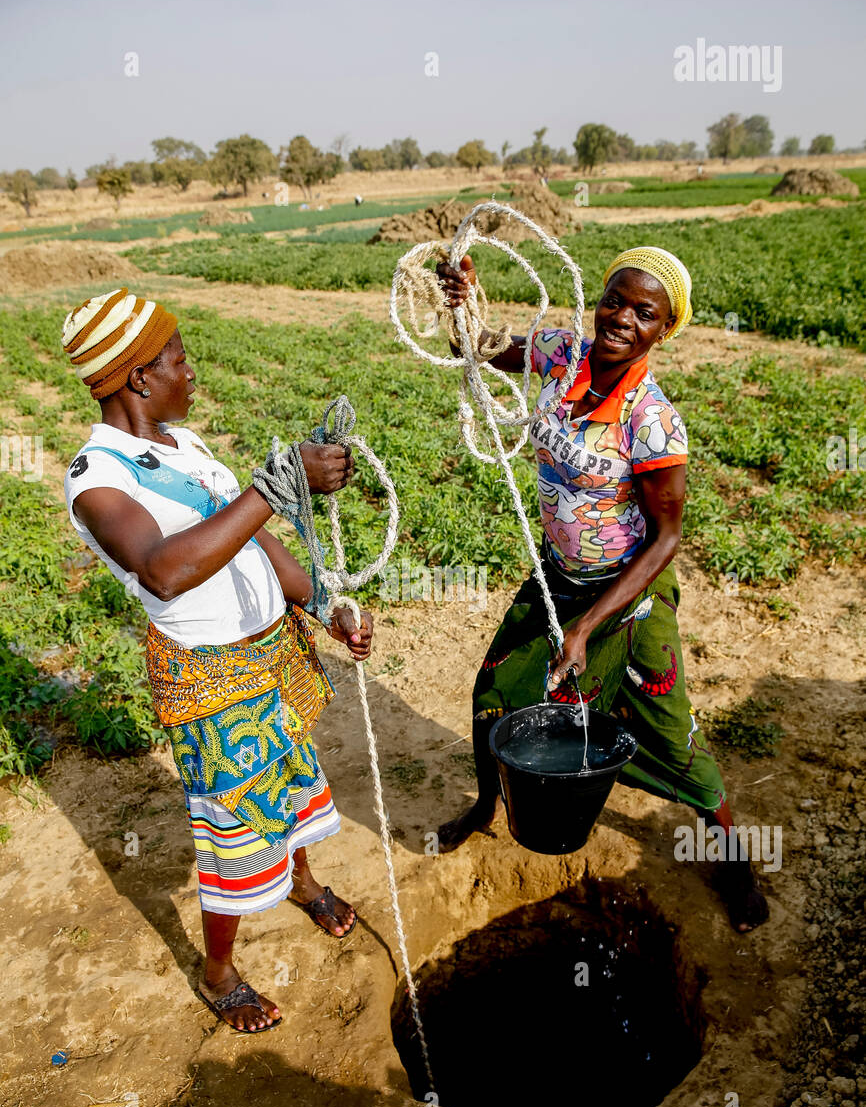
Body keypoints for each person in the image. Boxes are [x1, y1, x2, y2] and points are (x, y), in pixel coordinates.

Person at [61, 287, 374, 1032]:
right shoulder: (96, 478)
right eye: (179, 359)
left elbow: (255, 539)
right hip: (212, 674)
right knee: (235, 824)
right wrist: (271, 488)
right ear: (138, 376)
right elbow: (164, 570)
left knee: (289, 778)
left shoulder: (187, 447)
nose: (191, 371)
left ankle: (303, 883)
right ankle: (219, 972)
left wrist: (321, 604)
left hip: (270, 653)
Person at [433, 247, 769, 934]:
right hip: (557, 577)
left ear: (664, 329)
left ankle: (736, 868)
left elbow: (665, 540)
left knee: (672, 738)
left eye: (644, 312)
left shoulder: (652, 421)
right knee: (493, 692)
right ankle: (485, 808)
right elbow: (482, 348)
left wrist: (586, 628)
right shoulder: (563, 356)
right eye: (615, 300)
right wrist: (463, 302)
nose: (621, 318)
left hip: (628, 594)